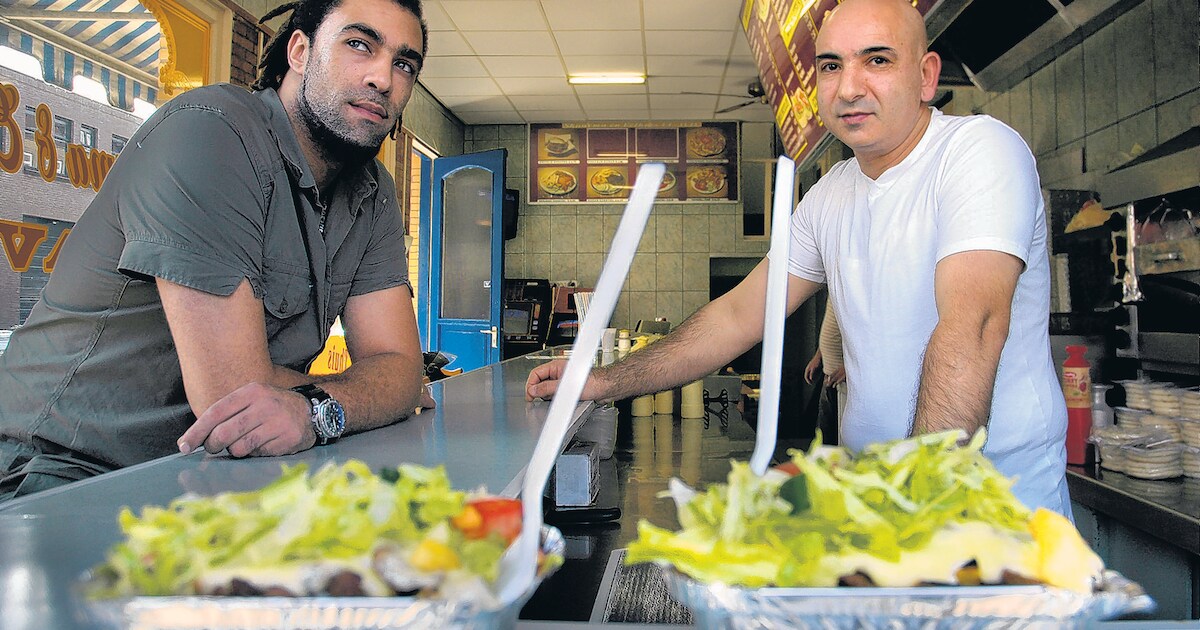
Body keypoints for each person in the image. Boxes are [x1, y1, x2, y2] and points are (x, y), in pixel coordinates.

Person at [527, 0, 1070, 515]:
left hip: (988, 504)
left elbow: (971, 325)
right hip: (876, 505)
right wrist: (602, 382)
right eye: (831, 66)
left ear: (926, 76)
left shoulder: (978, 151)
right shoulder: (831, 193)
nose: (850, 87)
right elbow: (738, 316)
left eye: (877, 60)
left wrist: (920, 499)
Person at [0, 0, 433, 500]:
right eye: (359, 44)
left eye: (404, 63)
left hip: (205, 478)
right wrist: (360, 397)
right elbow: (232, 396)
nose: (383, 77)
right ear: (298, 50)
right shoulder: (211, 130)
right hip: (56, 475)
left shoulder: (372, 189)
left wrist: (329, 404)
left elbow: (402, 368)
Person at [804, 301, 845, 445]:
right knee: (823, 436)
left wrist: (849, 367)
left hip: (848, 383)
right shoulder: (836, 283)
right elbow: (832, 321)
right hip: (829, 375)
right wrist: (818, 356)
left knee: (841, 444)